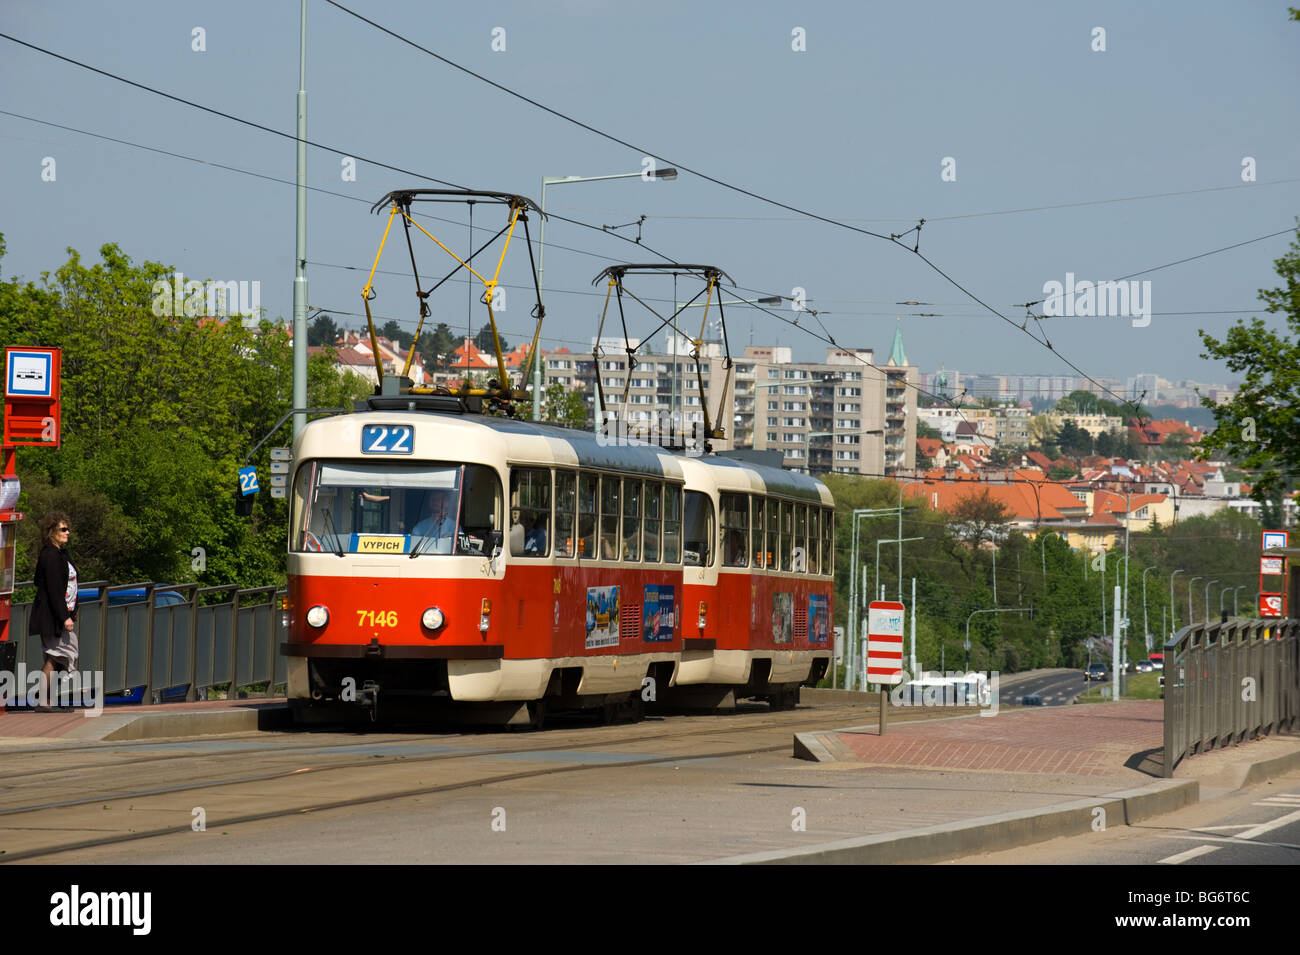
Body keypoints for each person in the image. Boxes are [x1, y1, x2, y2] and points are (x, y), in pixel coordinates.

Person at [28, 512, 77, 711]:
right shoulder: (49, 555)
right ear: (52, 532)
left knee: (58, 656)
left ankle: (46, 699)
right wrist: (64, 616)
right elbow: (53, 589)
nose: (68, 533)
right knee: (56, 656)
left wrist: (73, 610)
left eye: (68, 529)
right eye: (63, 529)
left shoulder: (61, 554)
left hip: (63, 614)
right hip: (52, 616)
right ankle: (43, 701)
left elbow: (70, 583)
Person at [411, 487, 458, 553]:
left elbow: (460, 546)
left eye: (439, 500)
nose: (436, 502)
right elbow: (413, 546)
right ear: (430, 503)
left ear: (446, 503)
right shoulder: (420, 527)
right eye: (433, 499)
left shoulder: (454, 526)